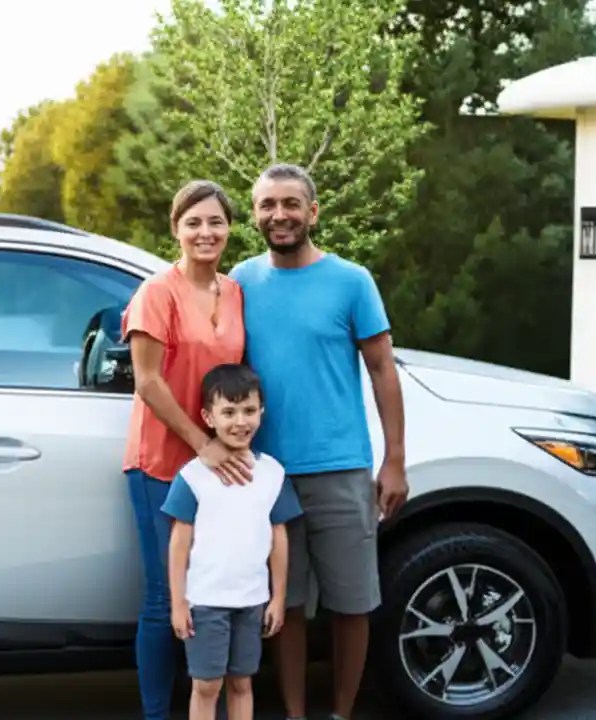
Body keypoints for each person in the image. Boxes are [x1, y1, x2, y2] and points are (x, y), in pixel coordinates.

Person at [229, 163, 408, 720]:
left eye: (289, 204)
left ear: (313, 211)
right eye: (266, 205)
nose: (278, 215)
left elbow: (382, 369)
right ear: (256, 214)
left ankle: (342, 714)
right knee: (287, 605)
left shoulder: (351, 281)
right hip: (266, 475)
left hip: (340, 467)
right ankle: (297, 714)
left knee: (352, 604)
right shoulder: (241, 280)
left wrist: (394, 461)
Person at [121, 179, 253, 719]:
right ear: (175, 229)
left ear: (228, 229)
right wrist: (203, 444)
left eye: (215, 221)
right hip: (163, 464)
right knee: (163, 598)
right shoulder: (157, 292)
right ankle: (157, 714)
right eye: (193, 222)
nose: (206, 231)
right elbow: (148, 383)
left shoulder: (237, 291)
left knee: (215, 595)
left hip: (222, 467)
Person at [162, 363, 302, 720]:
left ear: (261, 412)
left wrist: (279, 597)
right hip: (206, 602)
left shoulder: (272, 474)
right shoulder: (194, 477)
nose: (241, 421)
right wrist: (179, 604)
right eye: (229, 412)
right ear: (208, 417)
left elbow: (279, 537)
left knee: (242, 682)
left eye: (249, 411)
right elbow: (179, 543)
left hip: (252, 601)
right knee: (207, 686)